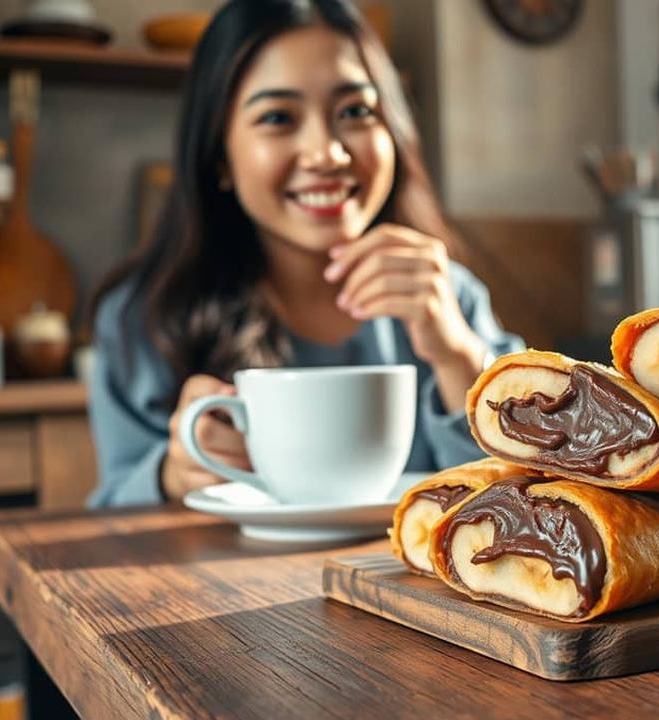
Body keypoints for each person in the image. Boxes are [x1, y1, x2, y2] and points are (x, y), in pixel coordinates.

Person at [87, 0, 522, 506]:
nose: (327, 154)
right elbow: (109, 508)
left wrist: (457, 355)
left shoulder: (450, 295)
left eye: (355, 111)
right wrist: (170, 474)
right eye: (277, 118)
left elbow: (535, 487)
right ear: (220, 158)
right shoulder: (143, 317)